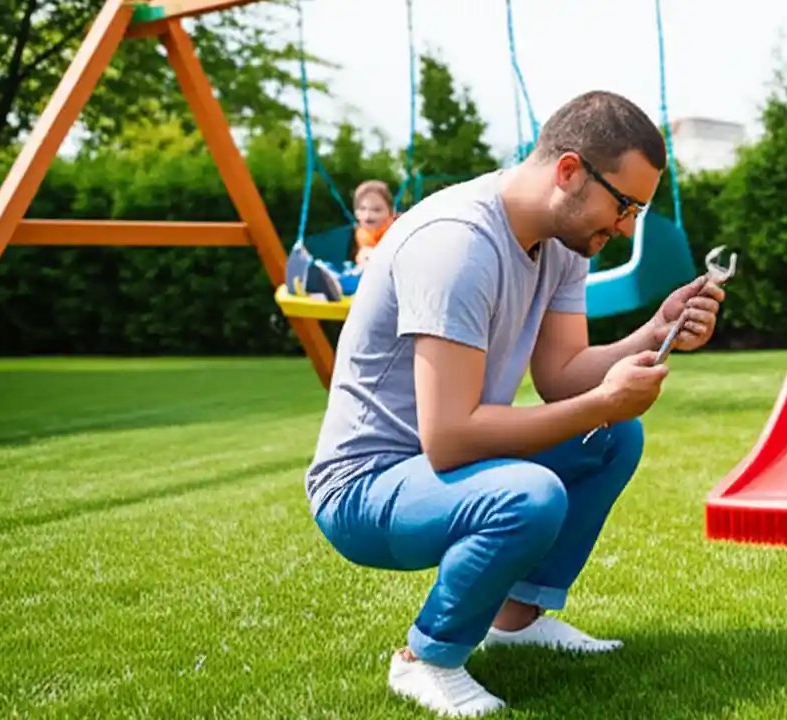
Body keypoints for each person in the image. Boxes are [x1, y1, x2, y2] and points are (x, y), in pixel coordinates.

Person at [302, 90, 725, 717]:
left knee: (613, 436)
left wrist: (653, 331)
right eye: (626, 205)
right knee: (531, 494)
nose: (627, 227)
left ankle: (517, 620)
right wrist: (602, 401)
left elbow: (561, 375)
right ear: (569, 171)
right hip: (364, 488)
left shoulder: (563, 238)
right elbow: (447, 436)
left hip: (435, 468)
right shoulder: (457, 245)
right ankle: (427, 659)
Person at [351, 179, 396, 267]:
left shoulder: (398, 231)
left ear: (391, 212)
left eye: (376, 210)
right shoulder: (361, 233)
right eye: (362, 209)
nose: (368, 216)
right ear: (356, 213)